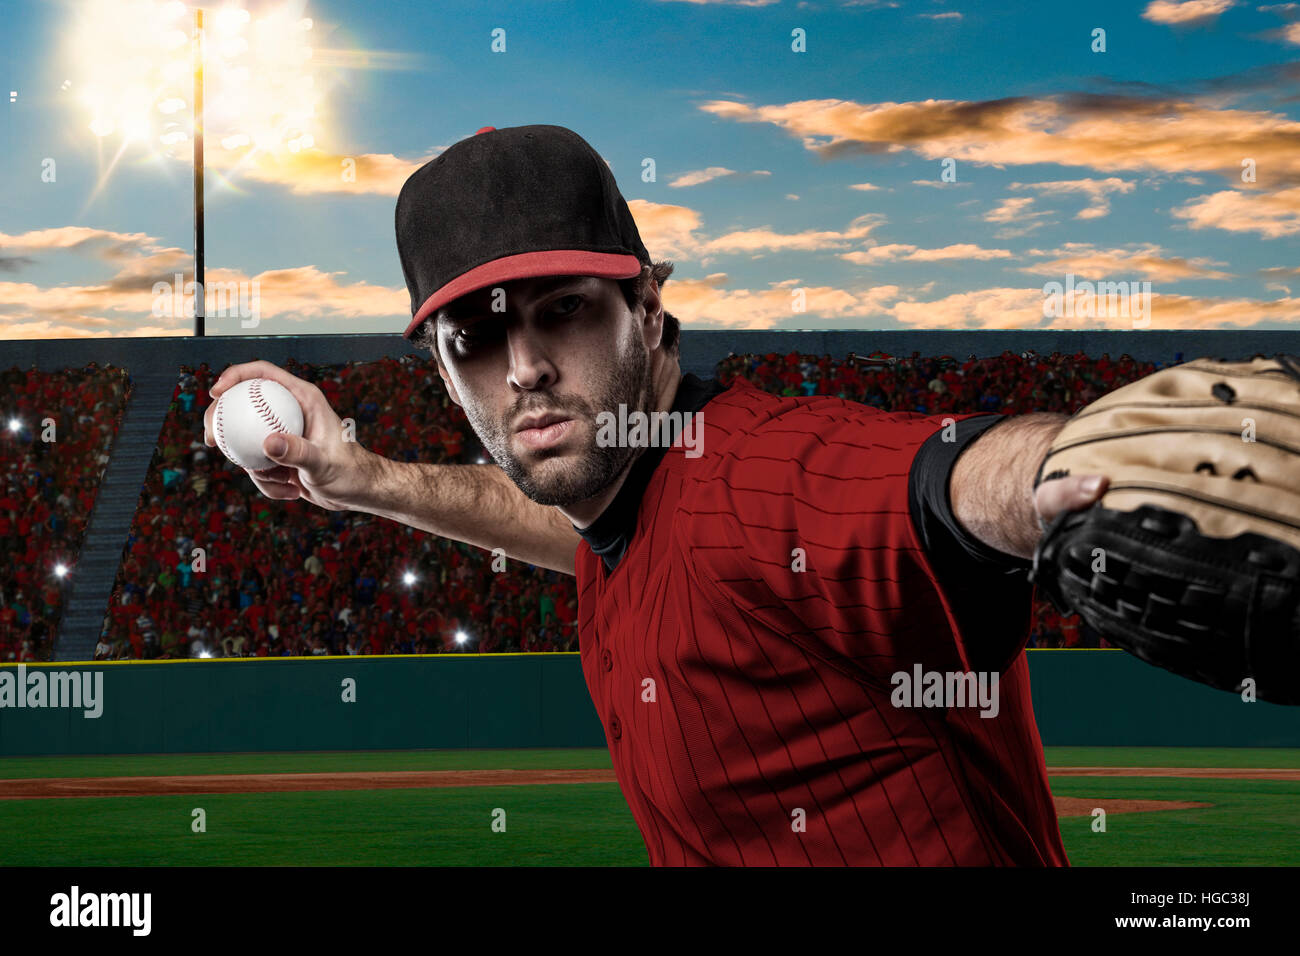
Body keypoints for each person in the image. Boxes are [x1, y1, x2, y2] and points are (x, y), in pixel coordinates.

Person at [204, 124, 1109, 867]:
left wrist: (1100, 467)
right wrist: (359, 476)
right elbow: (564, 522)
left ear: (646, 306)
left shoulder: (761, 477)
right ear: (442, 374)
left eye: (563, 307)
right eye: (476, 336)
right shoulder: (623, 501)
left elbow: (939, 480)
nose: (524, 369)